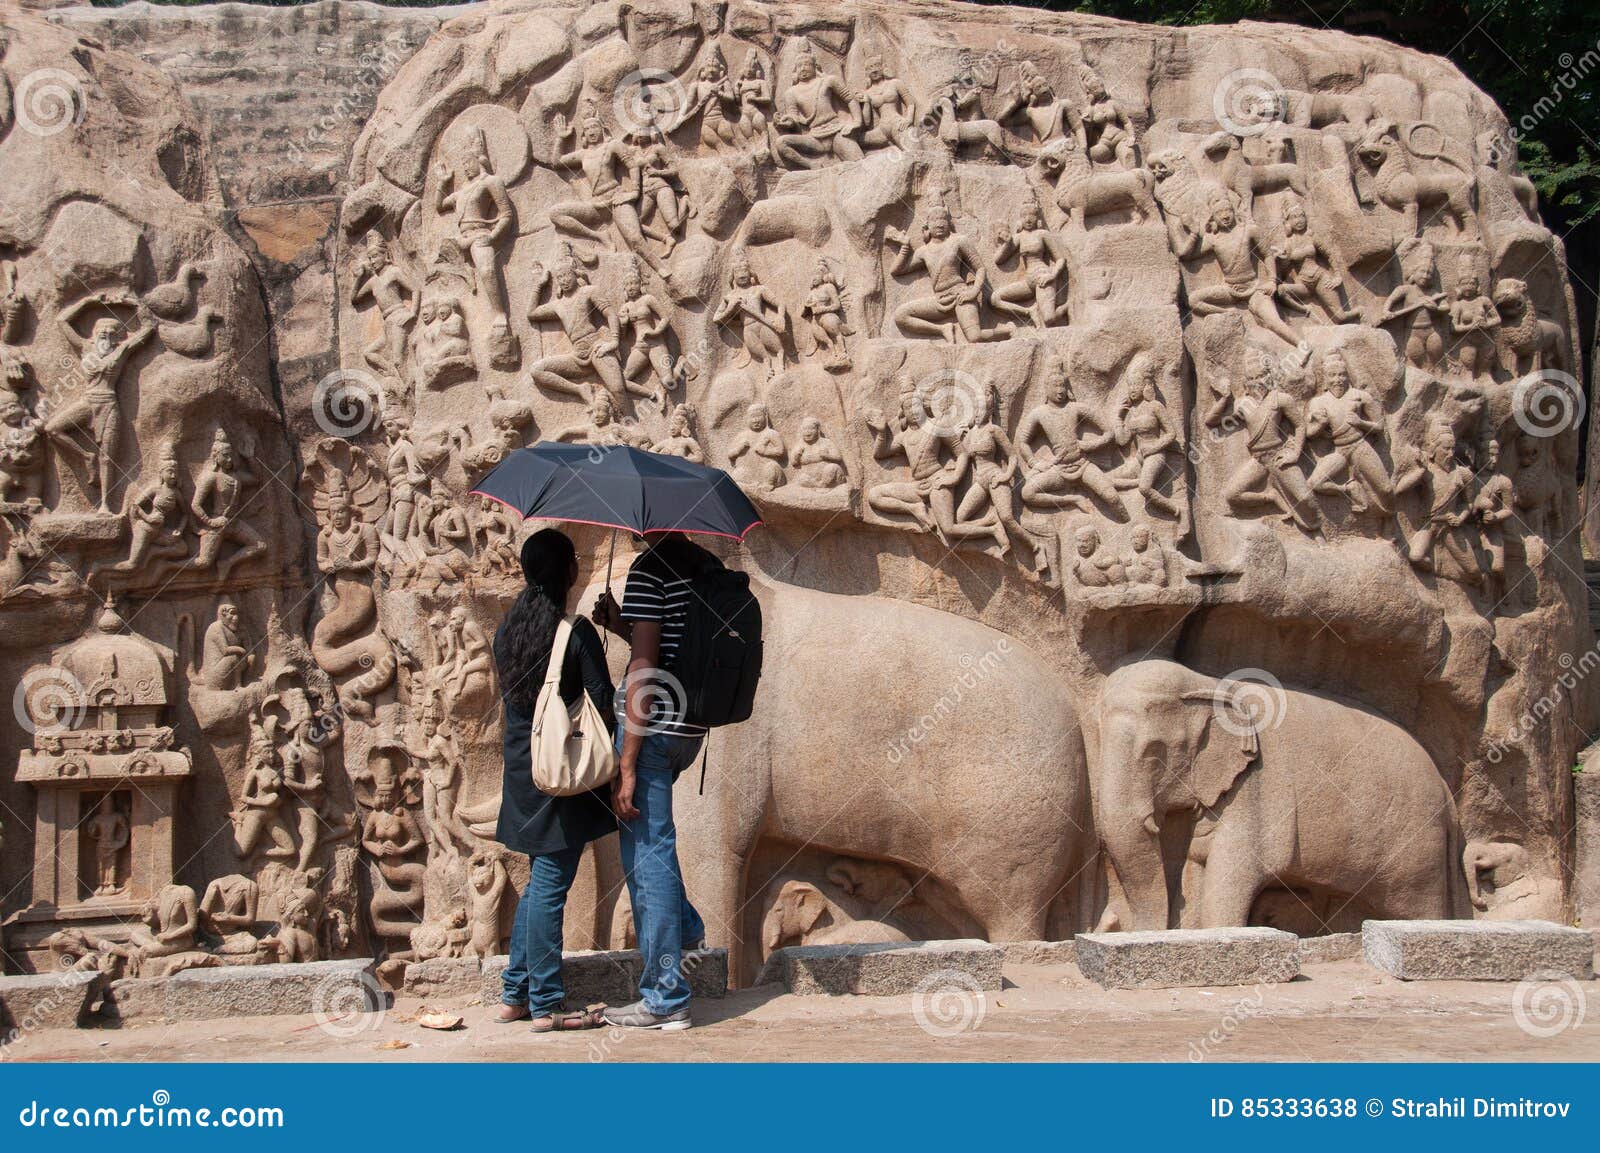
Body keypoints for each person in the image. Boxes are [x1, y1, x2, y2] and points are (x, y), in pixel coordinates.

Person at [492, 529, 616, 1032]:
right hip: (561, 774)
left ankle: (514, 994)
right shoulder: (575, 632)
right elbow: (602, 703)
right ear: (569, 572)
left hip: (524, 771)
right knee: (549, 886)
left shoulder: (507, 631)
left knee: (538, 881)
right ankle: (546, 1003)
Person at [592, 532, 709, 1031]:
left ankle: (665, 996)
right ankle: (686, 929)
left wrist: (628, 762)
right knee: (657, 844)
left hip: (652, 729)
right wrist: (621, 623)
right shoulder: (702, 565)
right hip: (691, 728)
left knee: (647, 855)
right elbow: (669, 646)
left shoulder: (648, 571)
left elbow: (643, 670)